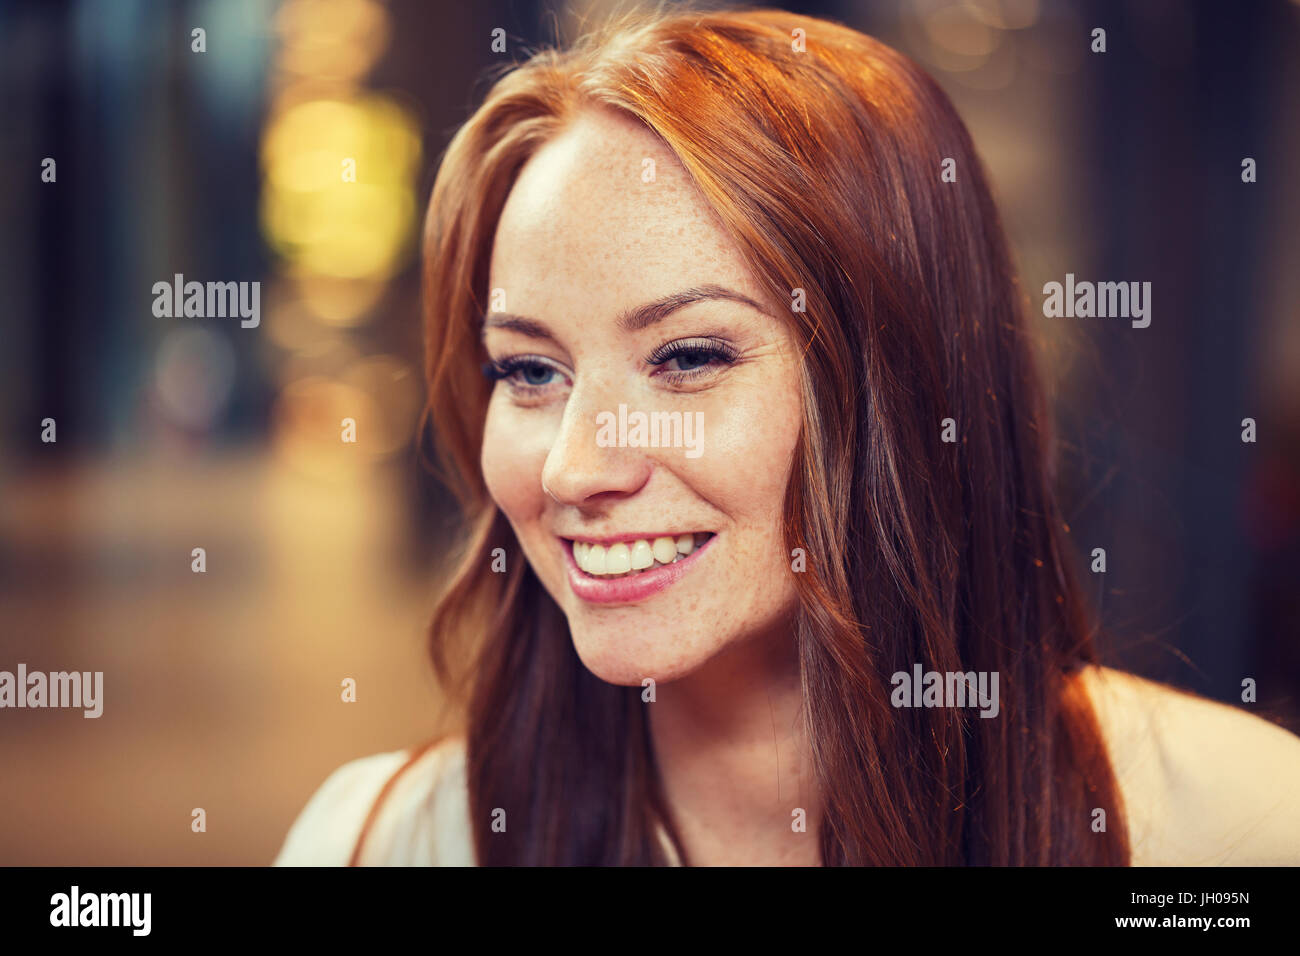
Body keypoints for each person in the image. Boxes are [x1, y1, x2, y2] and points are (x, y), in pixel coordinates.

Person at [274, 6, 1300, 866]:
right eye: (529, 370)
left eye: (687, 358)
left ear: (903, 377)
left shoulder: (1236, 828)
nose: (574, 466)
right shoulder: (372, 841)